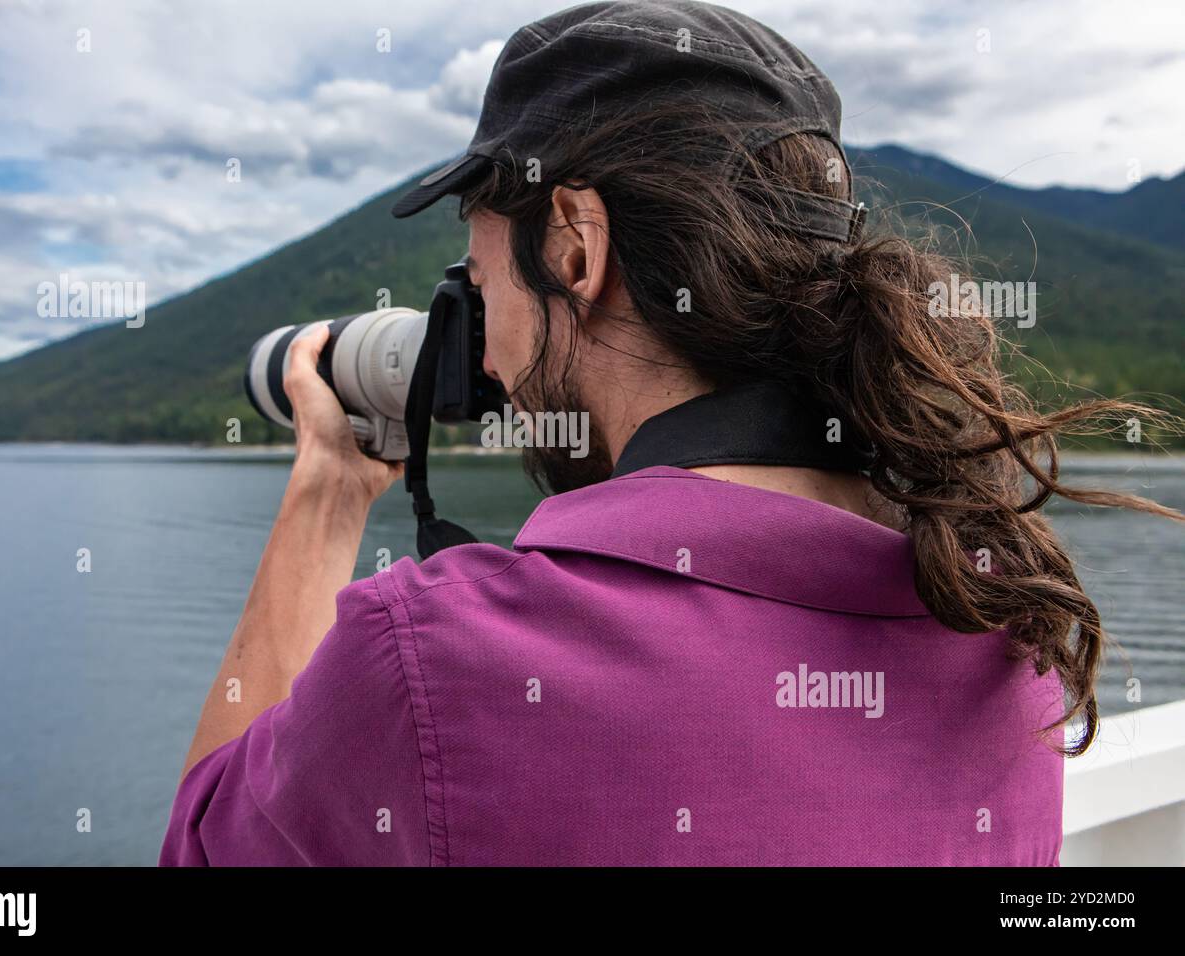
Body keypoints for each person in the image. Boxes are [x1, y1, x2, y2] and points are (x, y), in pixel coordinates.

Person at [161, 1, 1180, 866]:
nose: (486, 349)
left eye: (476, 277)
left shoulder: (432, 657)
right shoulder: (1009, 631)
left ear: (572, 243)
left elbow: (200, 845)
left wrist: (327, 490)